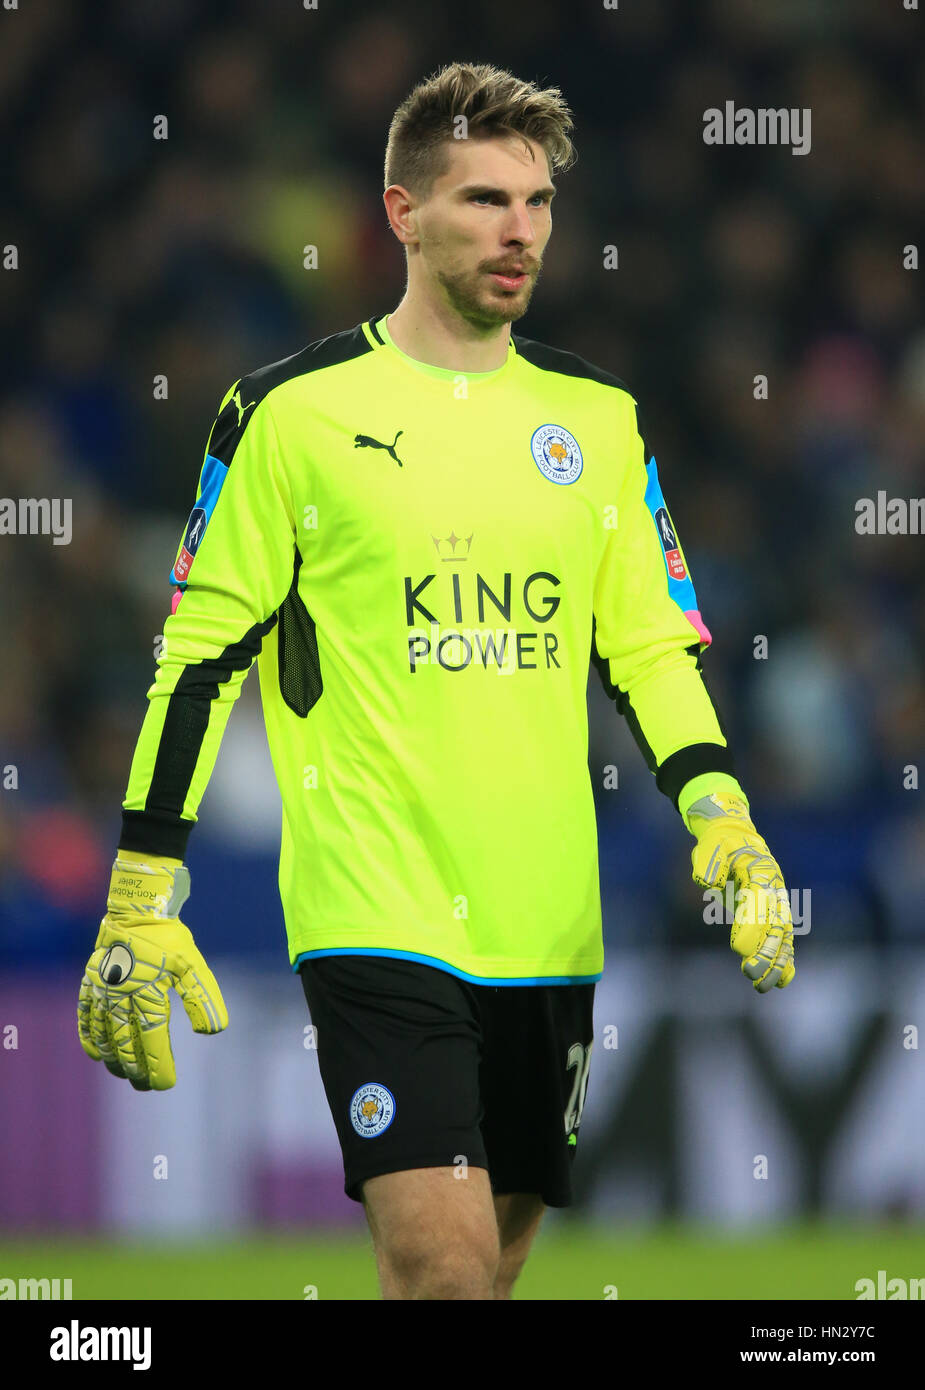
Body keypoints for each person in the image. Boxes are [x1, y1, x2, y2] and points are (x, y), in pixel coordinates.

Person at [77, 61, 795, 1301]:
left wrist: (721, 817)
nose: (518, 230)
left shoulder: (601, 423)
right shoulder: (290, 416)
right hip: (375, 912)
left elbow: (649, 652)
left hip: (549, 925)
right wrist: (144, 884)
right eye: (481, 200)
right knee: (447, 1273)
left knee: (478, 1283)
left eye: (536, 202)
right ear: (404, 215)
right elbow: (197, 659)